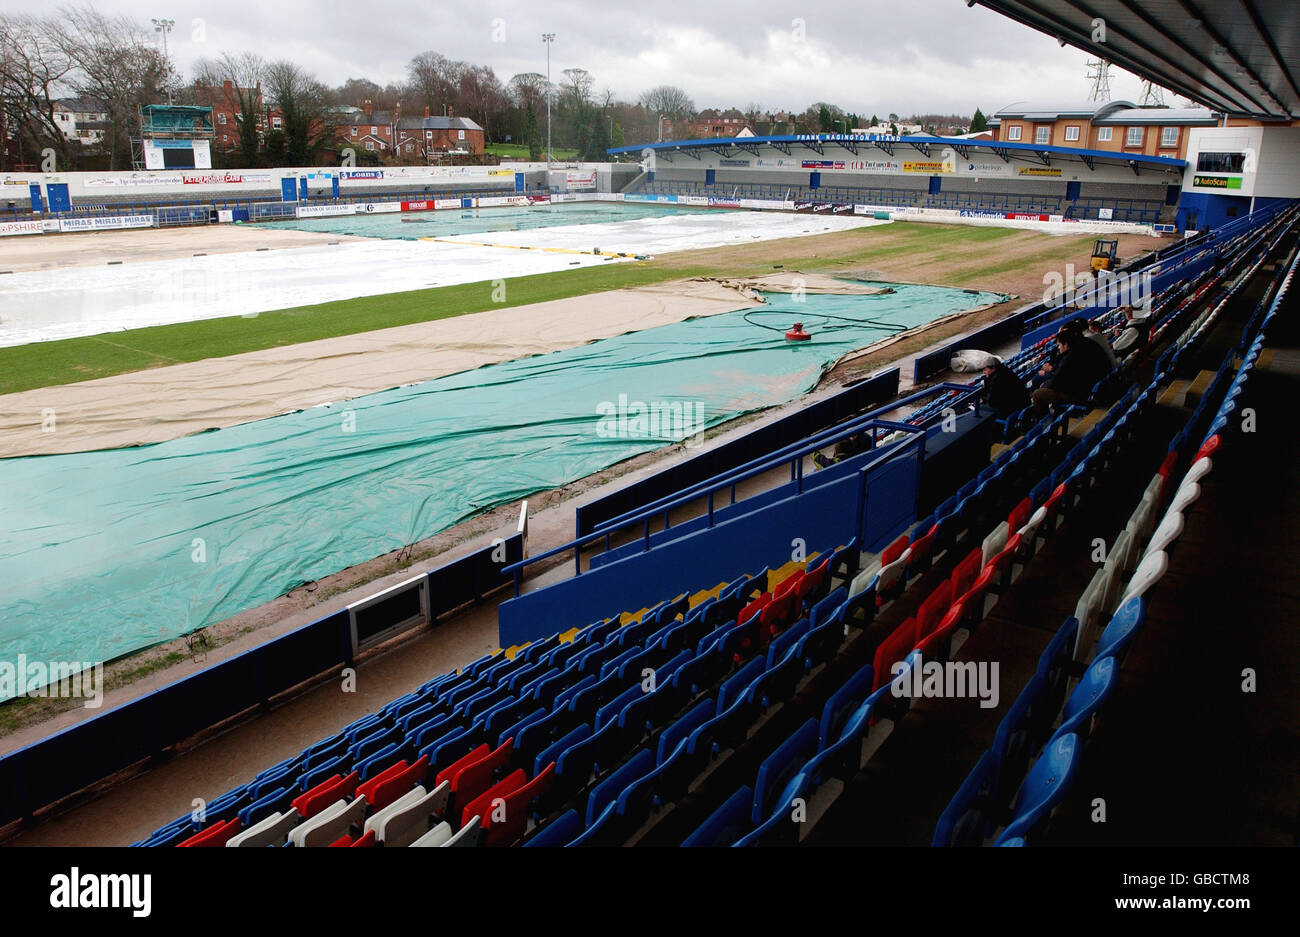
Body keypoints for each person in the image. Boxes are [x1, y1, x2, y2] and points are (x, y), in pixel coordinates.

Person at [1031, 326, 1111, 414]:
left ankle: (1043, 422)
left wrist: (1045, 384)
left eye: (1059, 345)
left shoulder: (1070, 358)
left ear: (1066, 345)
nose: (1059, 347)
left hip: (1080, 394)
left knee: (1037, 394)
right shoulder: (1084, 345)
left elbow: (1056, 382)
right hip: (1092, 385)